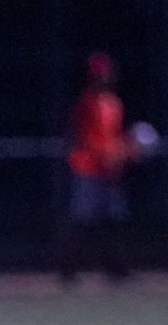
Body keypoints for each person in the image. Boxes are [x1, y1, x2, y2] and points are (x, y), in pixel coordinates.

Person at [58, 51, 147, 286]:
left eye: (106, 73)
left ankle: (114, 270)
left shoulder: (114, 103)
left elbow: (114, 137)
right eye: (100, 73)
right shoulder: (85, 102)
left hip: (109, 170)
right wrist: (108, 155)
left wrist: (128, 150)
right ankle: (67, 271)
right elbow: (82, 136)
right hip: (88, 168)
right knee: (83, 220)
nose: (105, 77)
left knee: (113, 220)